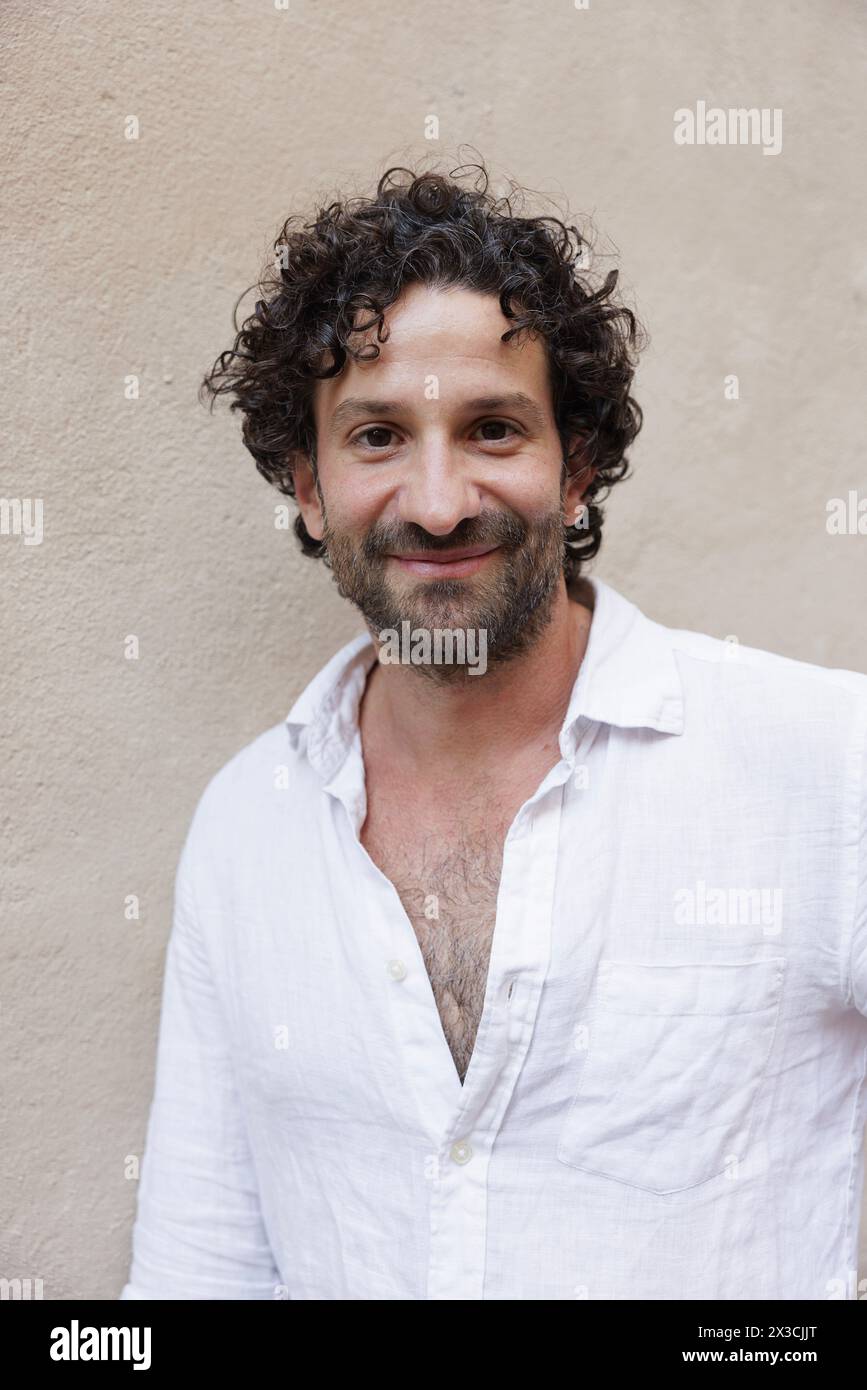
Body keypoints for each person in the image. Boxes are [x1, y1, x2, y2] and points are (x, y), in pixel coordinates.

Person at [120, 163, 867, 1301]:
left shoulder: (823, 763)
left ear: (576, 468)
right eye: (376, 436)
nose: (435, 500)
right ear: (307, 487)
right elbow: (198, 1277)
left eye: (492, 428)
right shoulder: (246, 827)